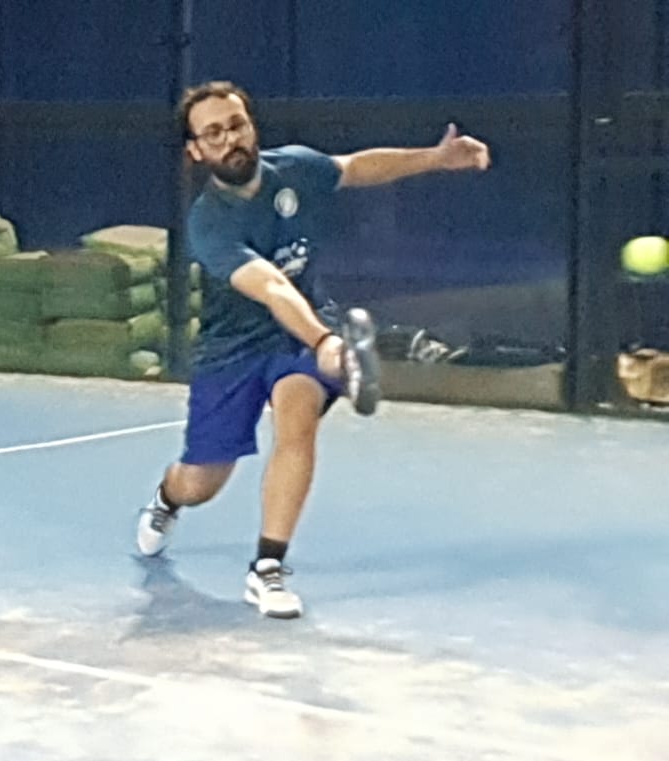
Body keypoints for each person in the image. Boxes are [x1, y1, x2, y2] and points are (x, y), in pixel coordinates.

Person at [134, 81, 491, 619]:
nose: (230, 140)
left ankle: (267, 568)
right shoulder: (208, 222)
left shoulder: (295, 169)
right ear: (196, 151)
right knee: (201, 482)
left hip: (296, 334)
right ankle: (168, 499)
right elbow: (272, 287)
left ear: (251, 125)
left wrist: (436, 158)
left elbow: (357, 167)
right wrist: (325, 341)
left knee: (297, 418)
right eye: (213, 134)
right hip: (233, 348)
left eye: (236, 125)